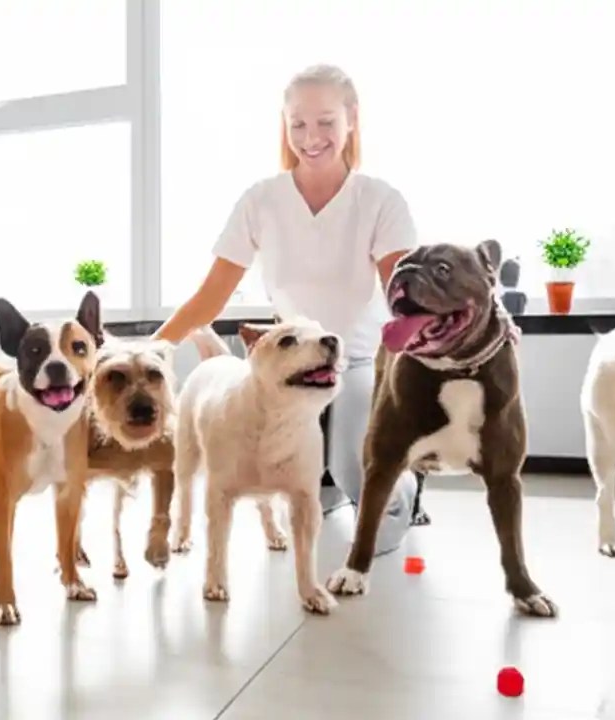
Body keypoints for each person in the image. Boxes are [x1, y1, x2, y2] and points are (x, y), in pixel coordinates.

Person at [153, 63, 419, 556]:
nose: (310, 137)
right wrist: (151, 350)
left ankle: (402, 485)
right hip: (292, 362)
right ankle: (327, 483)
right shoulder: (261, 201)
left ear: (352, 119)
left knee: (353, 472)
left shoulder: (380, 200)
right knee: (259, 456)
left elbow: (402, 293)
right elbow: (211, 296)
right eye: (297, 123)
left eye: (325, 122)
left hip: (357, 361)